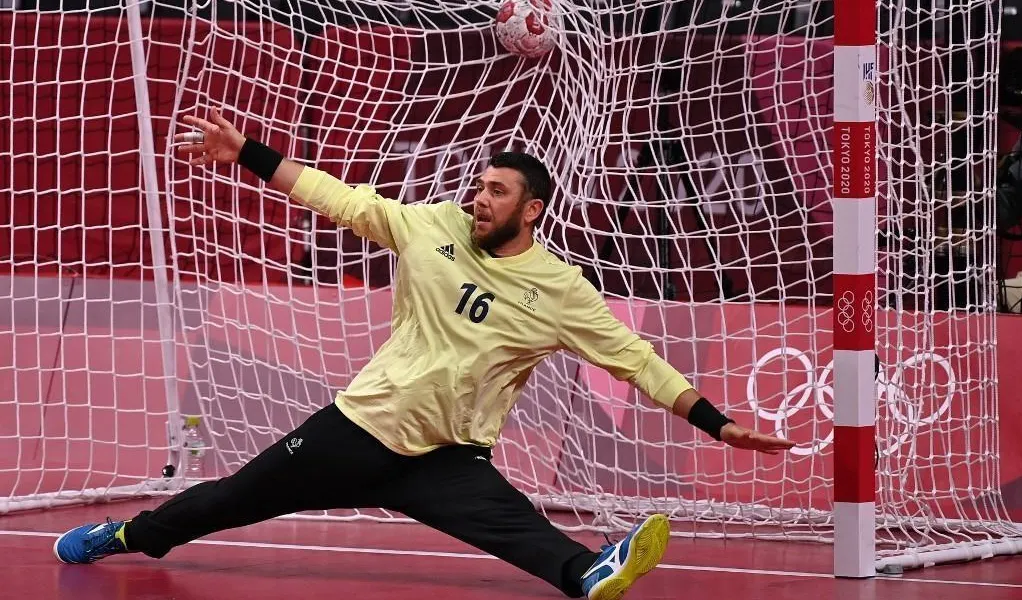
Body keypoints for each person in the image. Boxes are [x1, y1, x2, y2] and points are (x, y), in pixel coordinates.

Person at [54, 108, 796, 600]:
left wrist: (717, 423)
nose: (480, 198)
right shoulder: (430, 226)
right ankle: (125, 535)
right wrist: (246, 152)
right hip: (360, 428)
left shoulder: (560, 289)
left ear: (530, 210)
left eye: (497, 192)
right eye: (479, 186)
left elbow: (637, 360)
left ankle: (588, 571)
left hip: (447, 455)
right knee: (225, 501)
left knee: (522, 532)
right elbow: (338, 198)